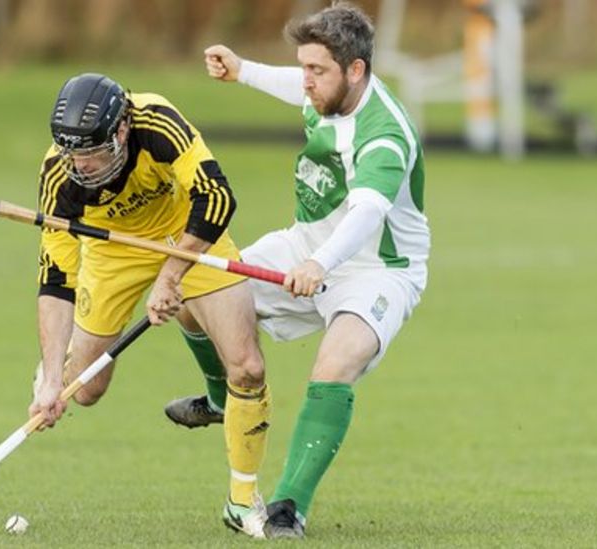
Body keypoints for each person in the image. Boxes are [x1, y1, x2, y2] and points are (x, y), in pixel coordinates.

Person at [165, 2, 430, 539]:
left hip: (377, 269)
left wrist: (320, 264)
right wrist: (243, 71)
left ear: (355, 70)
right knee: (197, 287)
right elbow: (298, 87)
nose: (306, 81)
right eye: (304, 67)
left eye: (317, 70)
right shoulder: (326, 89)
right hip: (303, 244)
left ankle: (288, 507)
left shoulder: (384, 135)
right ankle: (219, 398)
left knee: (334, 366)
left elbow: (367, 212)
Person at [27, 73, 272, 537]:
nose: (81, 166)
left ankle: (242, 502)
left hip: (186, 234)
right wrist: (53, 378)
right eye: (72, 153)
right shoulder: (61, 176)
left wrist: (171, 275)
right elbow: (56, 280)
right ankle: (57, 367)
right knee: (86, 391)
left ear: (121, 130)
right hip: (112, 253)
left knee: (247, 367)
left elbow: (218, 197)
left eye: (93, 152)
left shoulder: (158, 123)